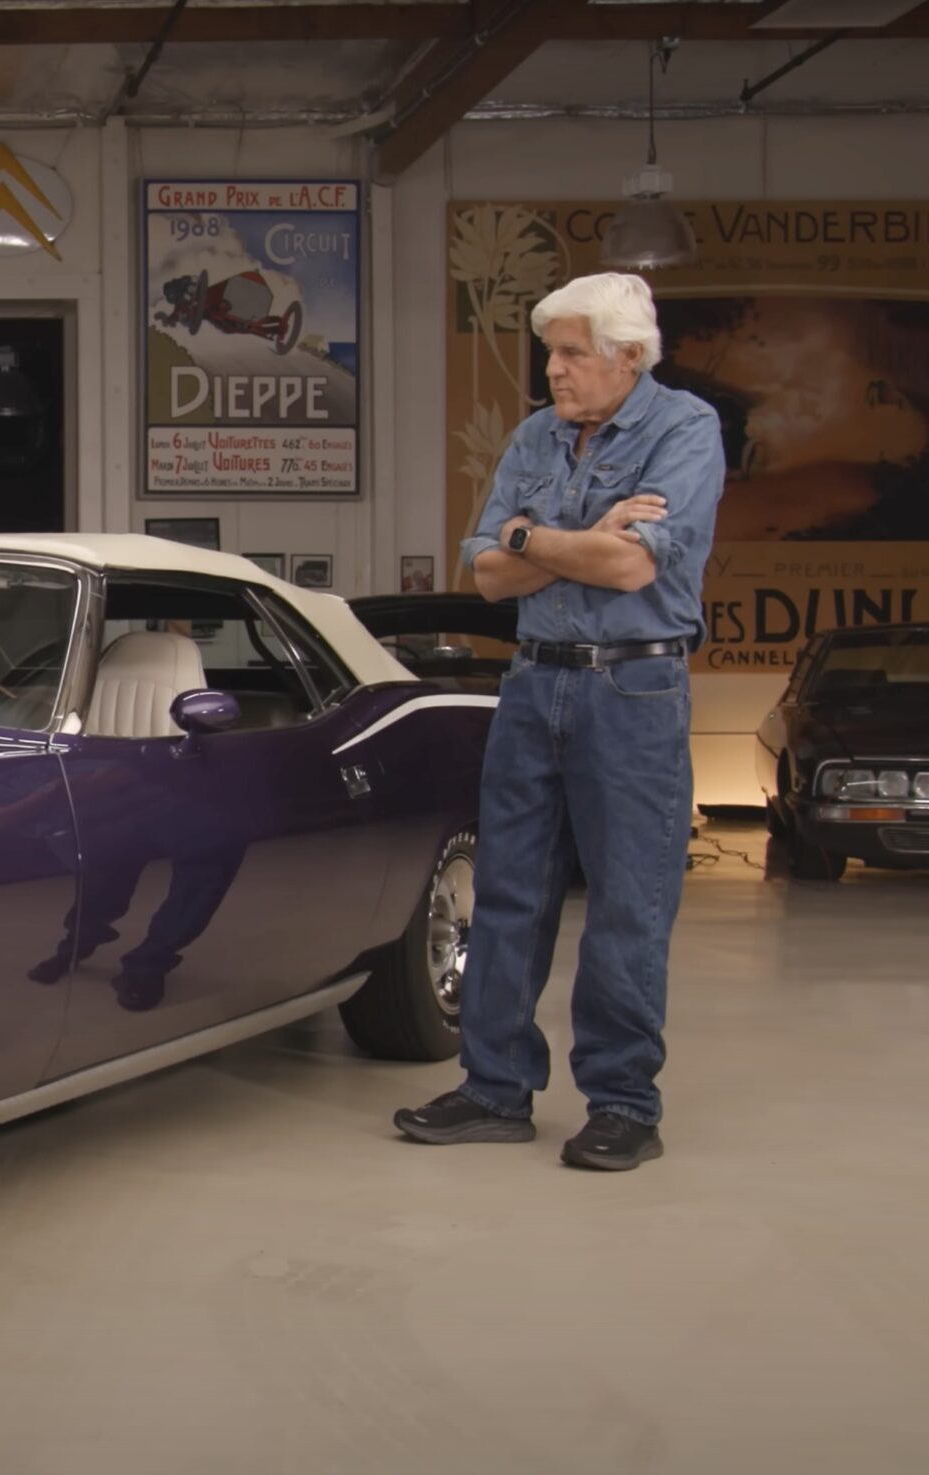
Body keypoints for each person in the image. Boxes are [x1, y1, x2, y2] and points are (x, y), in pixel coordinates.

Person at [395, 273, 724, 1170]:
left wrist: (530, 535)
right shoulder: (534, 435)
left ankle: (622, 1102)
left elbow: (629, 569)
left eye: (574, 352)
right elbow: (487, 574)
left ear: (629, 356)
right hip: (535, 684)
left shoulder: (684, 430)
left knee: (628, 901)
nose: (555, 369)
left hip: (633, 691)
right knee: (509, 894)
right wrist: (556, 540)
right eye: (550, 351)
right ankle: (494, 1088)